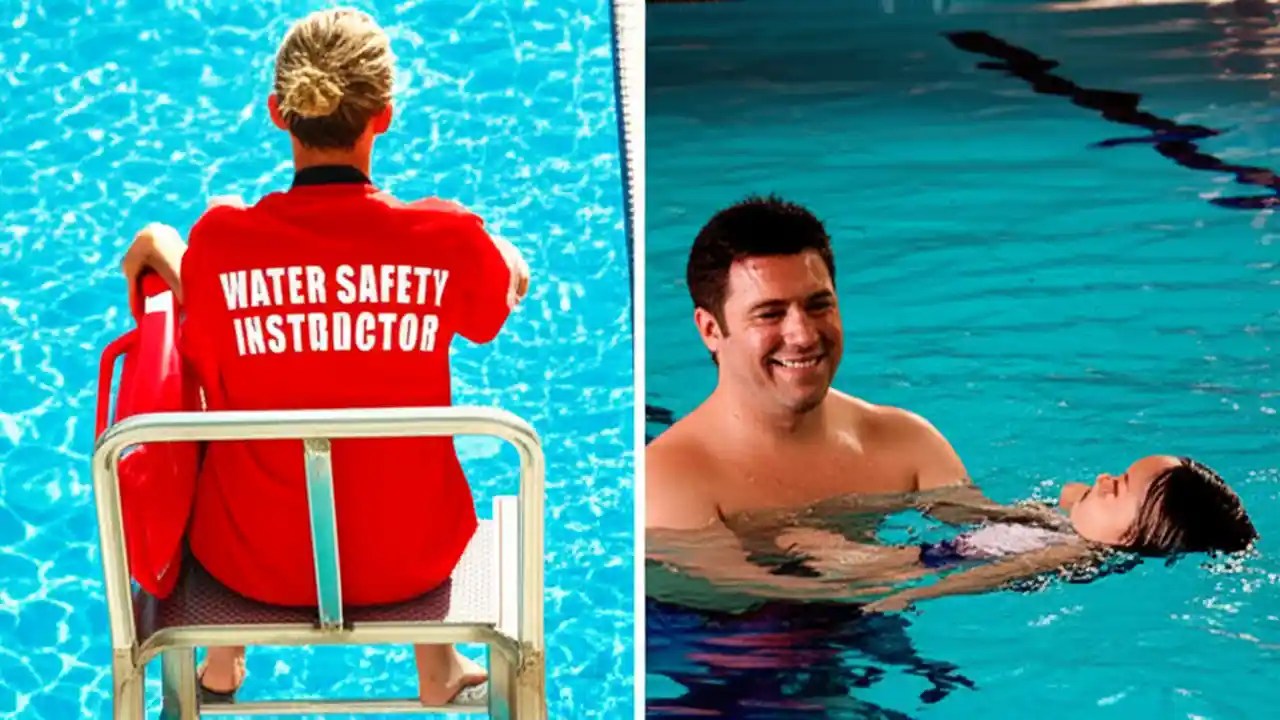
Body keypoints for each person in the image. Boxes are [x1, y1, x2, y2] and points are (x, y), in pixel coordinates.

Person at [119, 8, 529, 706]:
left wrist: (162, 242)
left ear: (279, 112)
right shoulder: (445, 236)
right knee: (388, 434)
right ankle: (439, 667)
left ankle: (221, 666)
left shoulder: (221, 243)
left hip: (250, 565)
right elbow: (503, 292)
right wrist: (500, 250)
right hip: (413, 561)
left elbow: (206, 337)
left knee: (243, 407)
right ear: (386, 116)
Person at [645, 194, 975, 593]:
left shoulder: (905, 440)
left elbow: (1000, 541)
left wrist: (1065, 527)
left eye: (819, 305)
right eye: (770, 313)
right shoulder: (665, 480)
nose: (803, 335)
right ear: (711, 330)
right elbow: (756, 603)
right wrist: (861, 562)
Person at [769, 455, 1259, 612]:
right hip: (977, 532)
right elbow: (1068, 501)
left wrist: (912, 595)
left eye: (1117, 489)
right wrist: (1089, 500)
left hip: (931, 561)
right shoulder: (1081, 530)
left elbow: (992, 575)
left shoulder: (1069, 555)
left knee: (797, 541)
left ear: (1129, 540)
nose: (1105, 479)